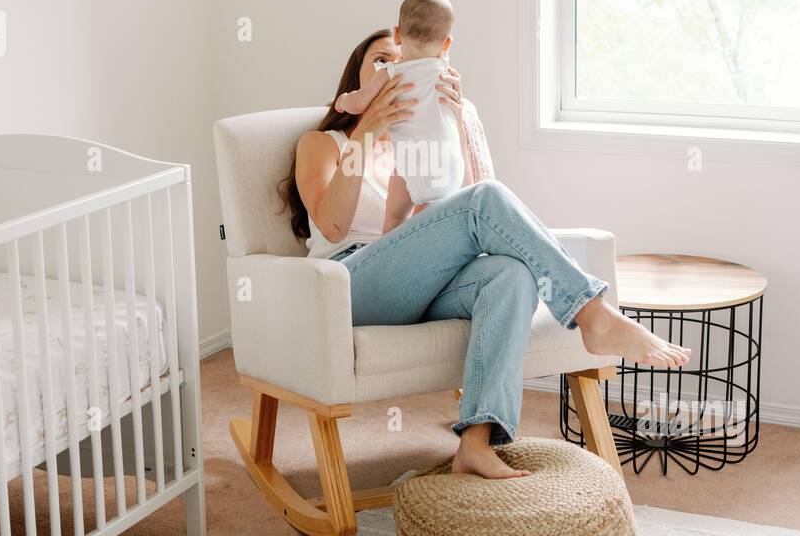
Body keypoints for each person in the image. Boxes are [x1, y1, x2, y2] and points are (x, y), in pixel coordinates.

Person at [279, 28, 690, 480]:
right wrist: (367, 128)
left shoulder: (418, 143)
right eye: (380, 60)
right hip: (346, 284)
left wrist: (455, 123)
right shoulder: (323, 144)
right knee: (485, 200)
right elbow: (332, 225)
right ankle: (593, 316)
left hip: (415, 285)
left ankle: (476, 442)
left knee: (511, 274)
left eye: (404, 60)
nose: (393, 69)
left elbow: (474, 212)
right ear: (355, 76)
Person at [334, 0, 462, 232]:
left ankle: (391, 250)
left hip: (411, 163)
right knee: (428, 225)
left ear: (397, 34)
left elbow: (359, 103)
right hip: (448, 165)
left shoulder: (390, 73)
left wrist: (342, 101)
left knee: (395, 219)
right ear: (447, 43)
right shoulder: (447, 72)